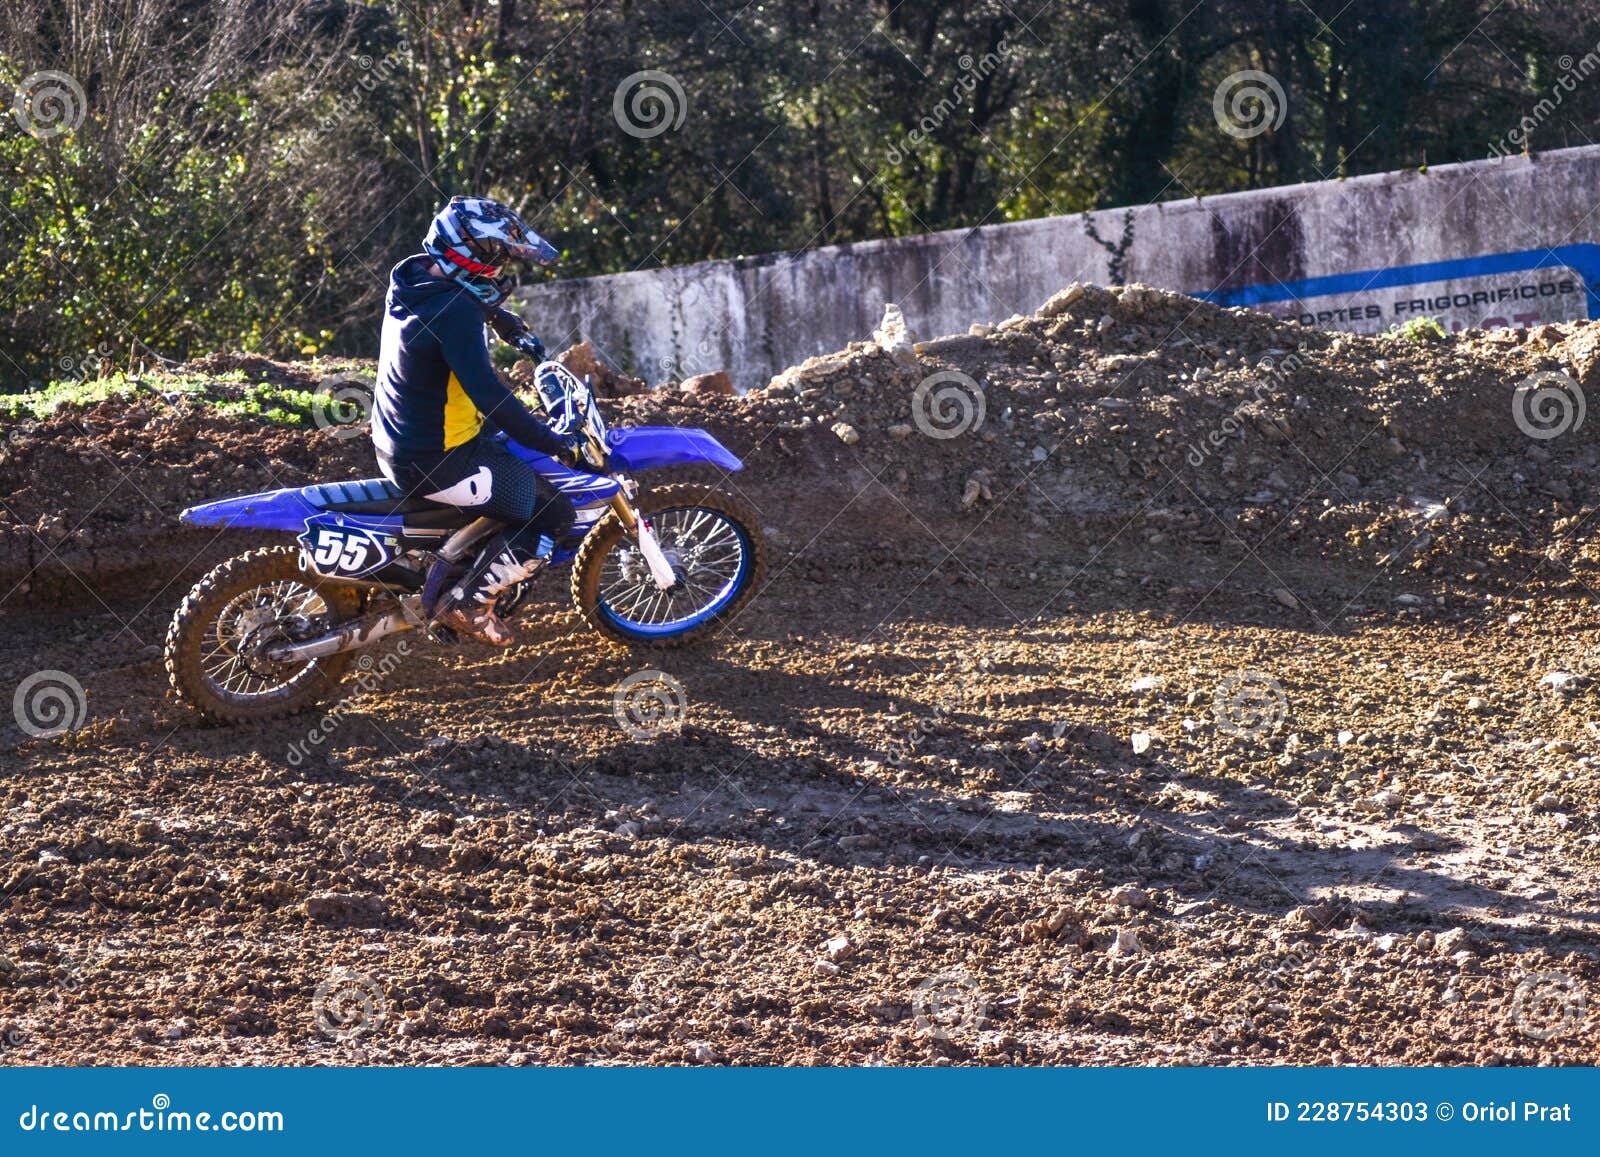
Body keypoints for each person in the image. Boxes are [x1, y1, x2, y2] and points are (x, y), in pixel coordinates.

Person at [371, 196, 596, 647]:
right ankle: (468, 604)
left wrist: (498, 317)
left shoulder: (413, 278)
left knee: (510, 453)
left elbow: (449, 308)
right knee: (553, 513)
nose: (500, 269)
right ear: (472, 257)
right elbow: (491, 396)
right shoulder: (455, 313)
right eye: (497, 258)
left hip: (403, 435)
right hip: (435, 458)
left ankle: (461, 563)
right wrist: (554, 442)